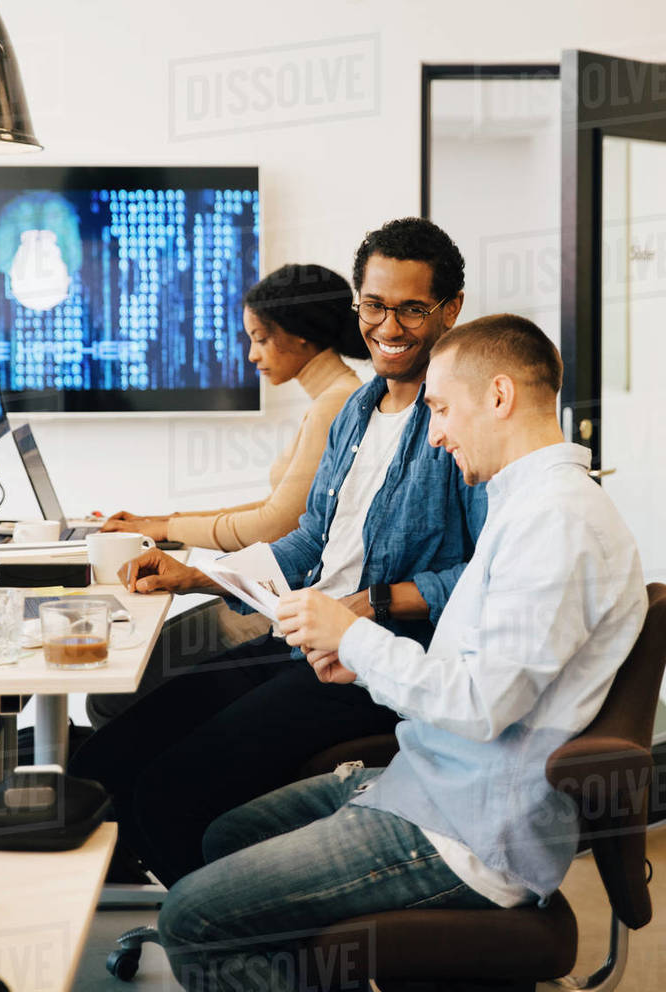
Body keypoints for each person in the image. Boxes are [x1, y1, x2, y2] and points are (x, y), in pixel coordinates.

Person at [156, 313, 648, 992]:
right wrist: (359, 659)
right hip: (433, 781)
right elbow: (470, 673)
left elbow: (482, 705)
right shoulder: (525, 503)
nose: (435, 433)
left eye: (441, 409)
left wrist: (355, 635)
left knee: (190, 918)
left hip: (469, 831)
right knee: (225, 837)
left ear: (499, 396)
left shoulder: (557, 521)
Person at [69, 218, 488, 888]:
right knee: (105, 761)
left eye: (412, 309)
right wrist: (198, 575)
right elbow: (310, 541)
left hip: (376, 664)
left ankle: (228, 931)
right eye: (374, 306)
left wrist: (375, 603)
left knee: (167, 795)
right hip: (299, 640)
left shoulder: (464, 421)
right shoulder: (358, 410)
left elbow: (488, 571)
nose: (389, 327)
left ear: (450, 309)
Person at [85, 264, 365, 729]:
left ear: (299, 335)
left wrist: (167, 527)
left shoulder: (337, 403)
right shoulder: (333, 398)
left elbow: (276, 524)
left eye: (260, 339)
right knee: (120, 686)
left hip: (284, 604)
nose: (252, 355)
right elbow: (275, 508)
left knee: (113, 696)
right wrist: (163, 522)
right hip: (278, 593)